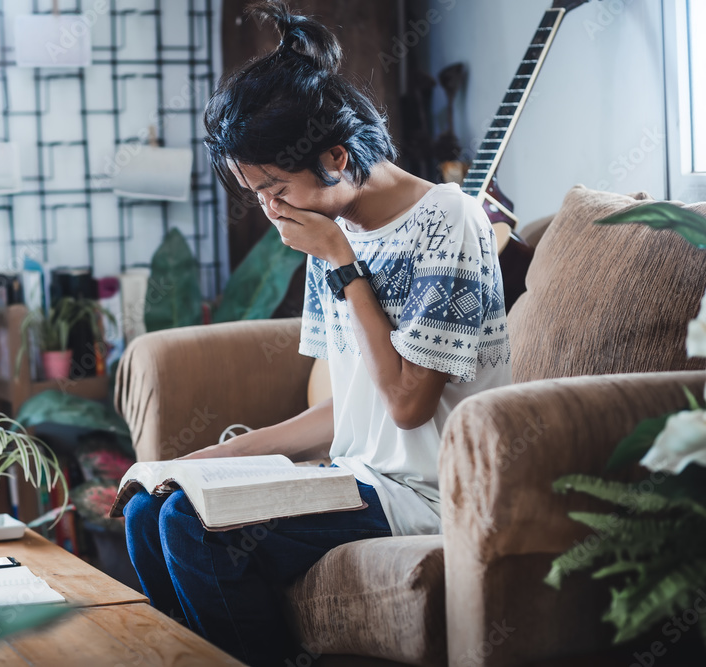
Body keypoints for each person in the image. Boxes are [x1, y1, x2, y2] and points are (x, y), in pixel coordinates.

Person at [123, 2, 512, 665]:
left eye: (275, 188)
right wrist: (192, 466)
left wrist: (342, 262)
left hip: (426, 492)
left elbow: (407, 404)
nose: (270, 211)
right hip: (355, 477)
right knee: (152, 508)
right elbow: (344, 411)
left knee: (194, 529)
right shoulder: (324, 233)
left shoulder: (447, 220)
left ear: (336, 156)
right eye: (256, 194)